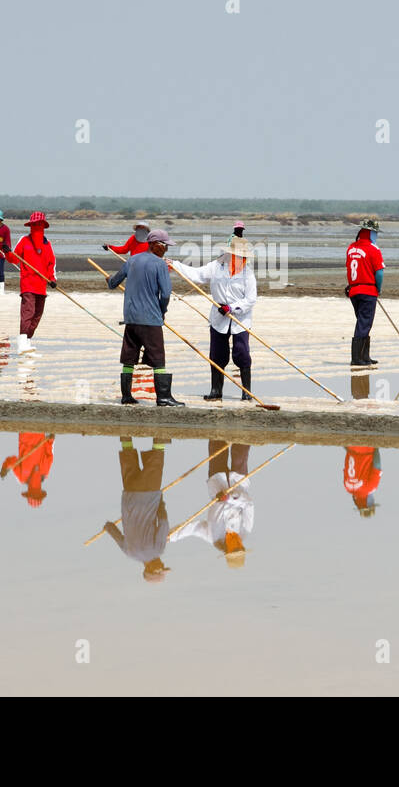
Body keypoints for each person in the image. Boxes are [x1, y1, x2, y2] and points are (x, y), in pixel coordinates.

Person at [169, 236, 257, 401]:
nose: (241, 259)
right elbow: (196, 274)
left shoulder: (248, 274)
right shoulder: (216, 267)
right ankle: (216, 391)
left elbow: (251, 299)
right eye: (238, 256)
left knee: (241, 354)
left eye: (243, 257)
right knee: (217, 355)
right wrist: (174, 264)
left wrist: (232, 308)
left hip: (240, 319)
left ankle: (246, 392)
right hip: (218, 317)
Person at [107, 229, 183, 406]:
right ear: (155, 245)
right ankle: (163, 397)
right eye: (165, 246)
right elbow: (165, 294)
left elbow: (113, 283)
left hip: (131, 318)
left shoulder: (132, 260)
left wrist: (108, 279)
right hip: (150, 319)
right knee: (158, 359)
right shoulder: (160, 265)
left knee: (129, 357)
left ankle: (127, 396)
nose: (166, 250)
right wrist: (162, 311)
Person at [169, 441, 253, 567]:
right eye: (240, 548)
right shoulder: (246, 529)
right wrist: (230, 498)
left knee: (217, 448)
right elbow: (249, 505)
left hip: (217, 482)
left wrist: (171, 536)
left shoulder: (213, 536)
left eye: (234, 550)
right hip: (239, 481)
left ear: (227, 550)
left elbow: (193, 528)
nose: (237, 546)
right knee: (240, 452)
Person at [102, 437, 172, 582]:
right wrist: (108, 527)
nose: (163, 562)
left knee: (156, 461)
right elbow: (111, 529)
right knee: (129, 461)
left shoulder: (157, 550)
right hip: (129, 496)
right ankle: (126, 434)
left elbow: (163, 522)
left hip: (149, 495)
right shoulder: (130, 553)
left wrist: (160, 501)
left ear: (154, 567)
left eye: (162, 566)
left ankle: (159, 436)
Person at [12, 212, 57, 355]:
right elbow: (13, 259)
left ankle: (27, 342)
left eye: (40, 225)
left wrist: (52, 279)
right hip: (28, 283)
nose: (37, 227)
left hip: (41, 285)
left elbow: (51, 264)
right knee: (28, 312)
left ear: (43, 226)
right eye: (35, 225)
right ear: (30, 226)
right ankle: (21, 343)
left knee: (37, 315)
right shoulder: (24, 241)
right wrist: (7, 252)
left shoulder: (47, 244)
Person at [345, 218, 384, 366]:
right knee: (364, 323)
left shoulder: (351, 248)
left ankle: (365, 356)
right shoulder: (373, 249)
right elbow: (379, 273)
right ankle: (357, 358)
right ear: (370, 233)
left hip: (354, 290)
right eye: (375, 233)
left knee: (362, 322)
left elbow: (349, 269)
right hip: (368, 290)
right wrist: (378, 288)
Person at [1, 432, 55, 507]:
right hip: (38, 433)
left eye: (33, 493)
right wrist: (50, 440)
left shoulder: (22, 477)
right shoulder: (44, 472)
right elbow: (48, 454)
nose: (34, 491)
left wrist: (4, 468)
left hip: (25, 433)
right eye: (35, 493)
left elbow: (12, 461)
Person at [343, 445, 382, 517]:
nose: (373, 500)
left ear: (368, 503)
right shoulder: (347, 487)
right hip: (350, 446)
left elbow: (377, 464)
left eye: (372, 503)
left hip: (367, 447)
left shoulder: (370, 487)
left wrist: (376, 446)